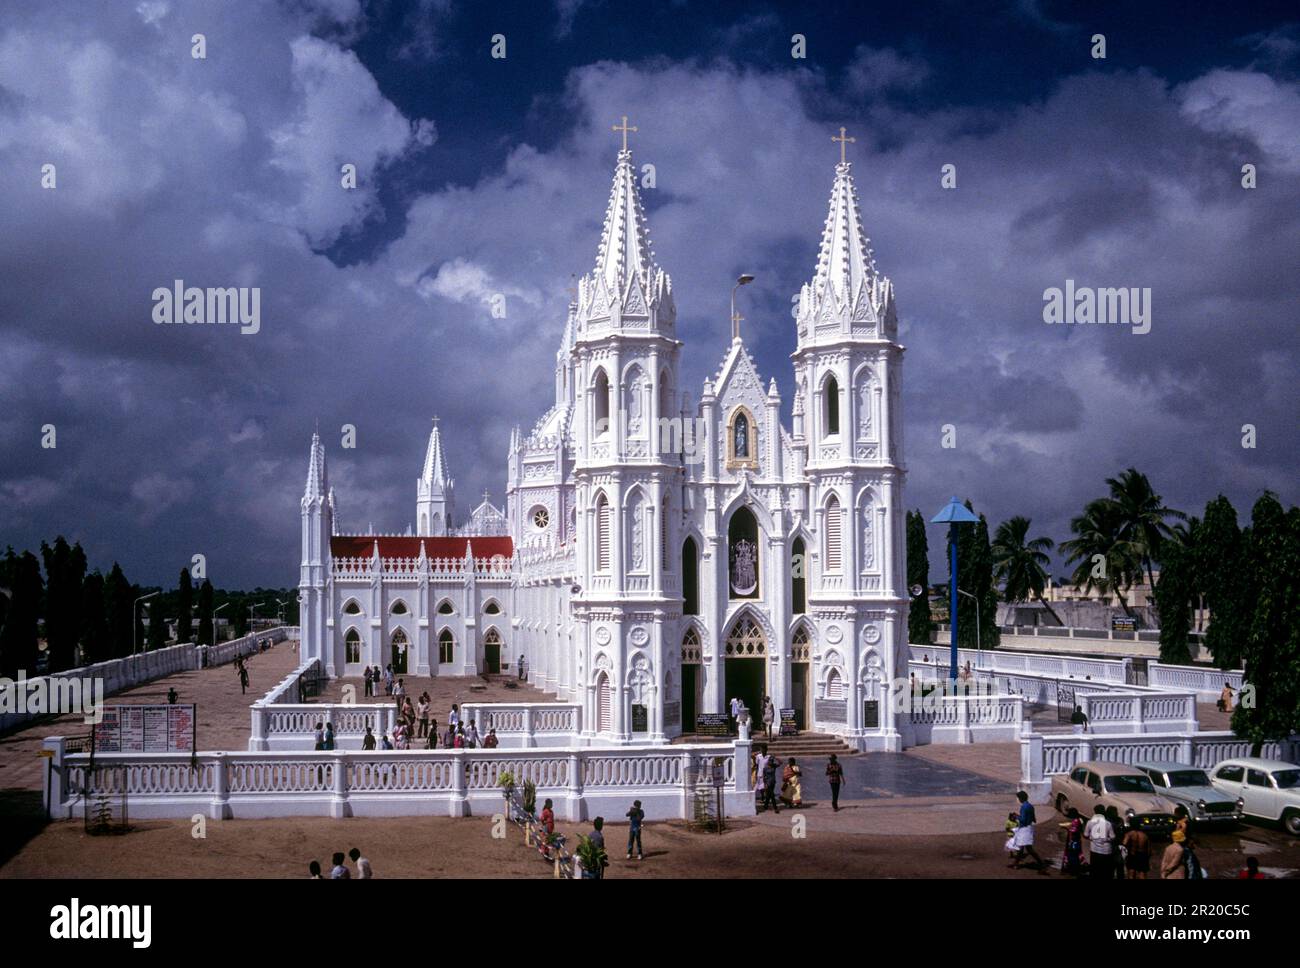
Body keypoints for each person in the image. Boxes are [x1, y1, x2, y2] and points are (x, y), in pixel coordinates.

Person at [1010, 790, 1046, 872]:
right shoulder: (1030, 806)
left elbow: (1023, 820)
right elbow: (1034, 819)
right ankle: (1016, 863)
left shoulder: (1023, 807)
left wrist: (1016, 817)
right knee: (1025, 848)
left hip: (1024, 829)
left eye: (1018, 798)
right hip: (1029, 827)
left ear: (1021, 798)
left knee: (1024, 848)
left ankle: (1017, 864)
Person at [1083, 805, 1115, 878]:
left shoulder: (1090, 822)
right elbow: (1113, 837)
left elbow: (1085, 835)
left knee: (1095, 870)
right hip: (1106, 851)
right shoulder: (1108, 823)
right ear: (1103, 812)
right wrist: (1107, 839)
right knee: (1105, 871)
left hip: (1094, 850)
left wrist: (1092, 838)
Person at [1059, 807, 1084, 875]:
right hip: (1076, 840)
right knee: (1075, 854)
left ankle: (1072, 869)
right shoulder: (1079, 820)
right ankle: (1074, 868)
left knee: (1072, 855)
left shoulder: (1075, 821)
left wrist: (1067, 828)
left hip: (1073, 840)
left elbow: (1074, 830)